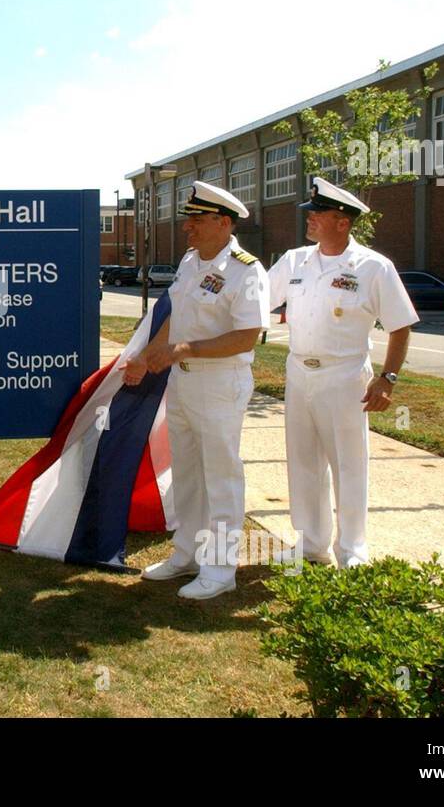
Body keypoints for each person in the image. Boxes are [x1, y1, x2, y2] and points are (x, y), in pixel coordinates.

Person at [125, 181, 269, 600]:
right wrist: (148, 356)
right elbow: (175, 319)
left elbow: (246, 336)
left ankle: (221, 569)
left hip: (220, 384)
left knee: (221, 477)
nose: (188, 229)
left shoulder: (245, 270)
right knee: (187, 474)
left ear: (224, 223)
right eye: (189, 220)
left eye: (197, 221)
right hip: (183, 381)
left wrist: (181, 350)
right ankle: (185, 553)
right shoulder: (191, 262)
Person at [267, 176, 418, 568]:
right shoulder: (294, 261)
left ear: (343, 222)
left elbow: (400, 325)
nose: (310, 219)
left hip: (345, 375)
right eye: (310, 212)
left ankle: (352, 548)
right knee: (303, 461)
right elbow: (256, 303)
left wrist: (388, 378)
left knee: (348, 463)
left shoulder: (373, 268)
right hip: (299, 372)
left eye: (319, 213)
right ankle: (311, 544)